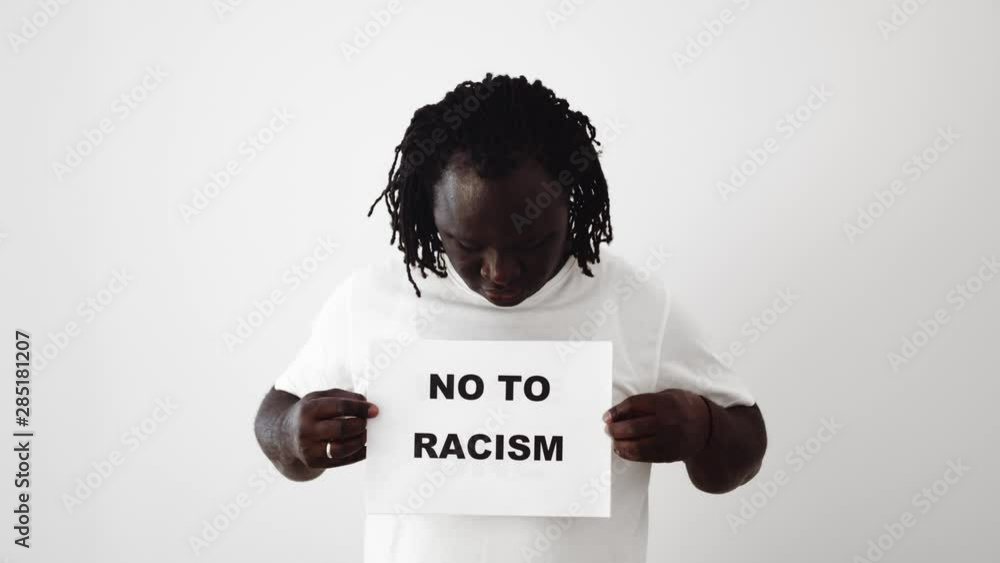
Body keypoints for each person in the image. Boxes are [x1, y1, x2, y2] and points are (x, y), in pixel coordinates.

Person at [254, 73, 767, 563]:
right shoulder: (374, 297)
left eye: (533, 242)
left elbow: (742, 454)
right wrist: (294, 434)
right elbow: (275, 419)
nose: (500, 272)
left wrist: (704, 428)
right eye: (468, 245)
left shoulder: (632, 301)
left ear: (572, 207)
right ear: (429, 218)